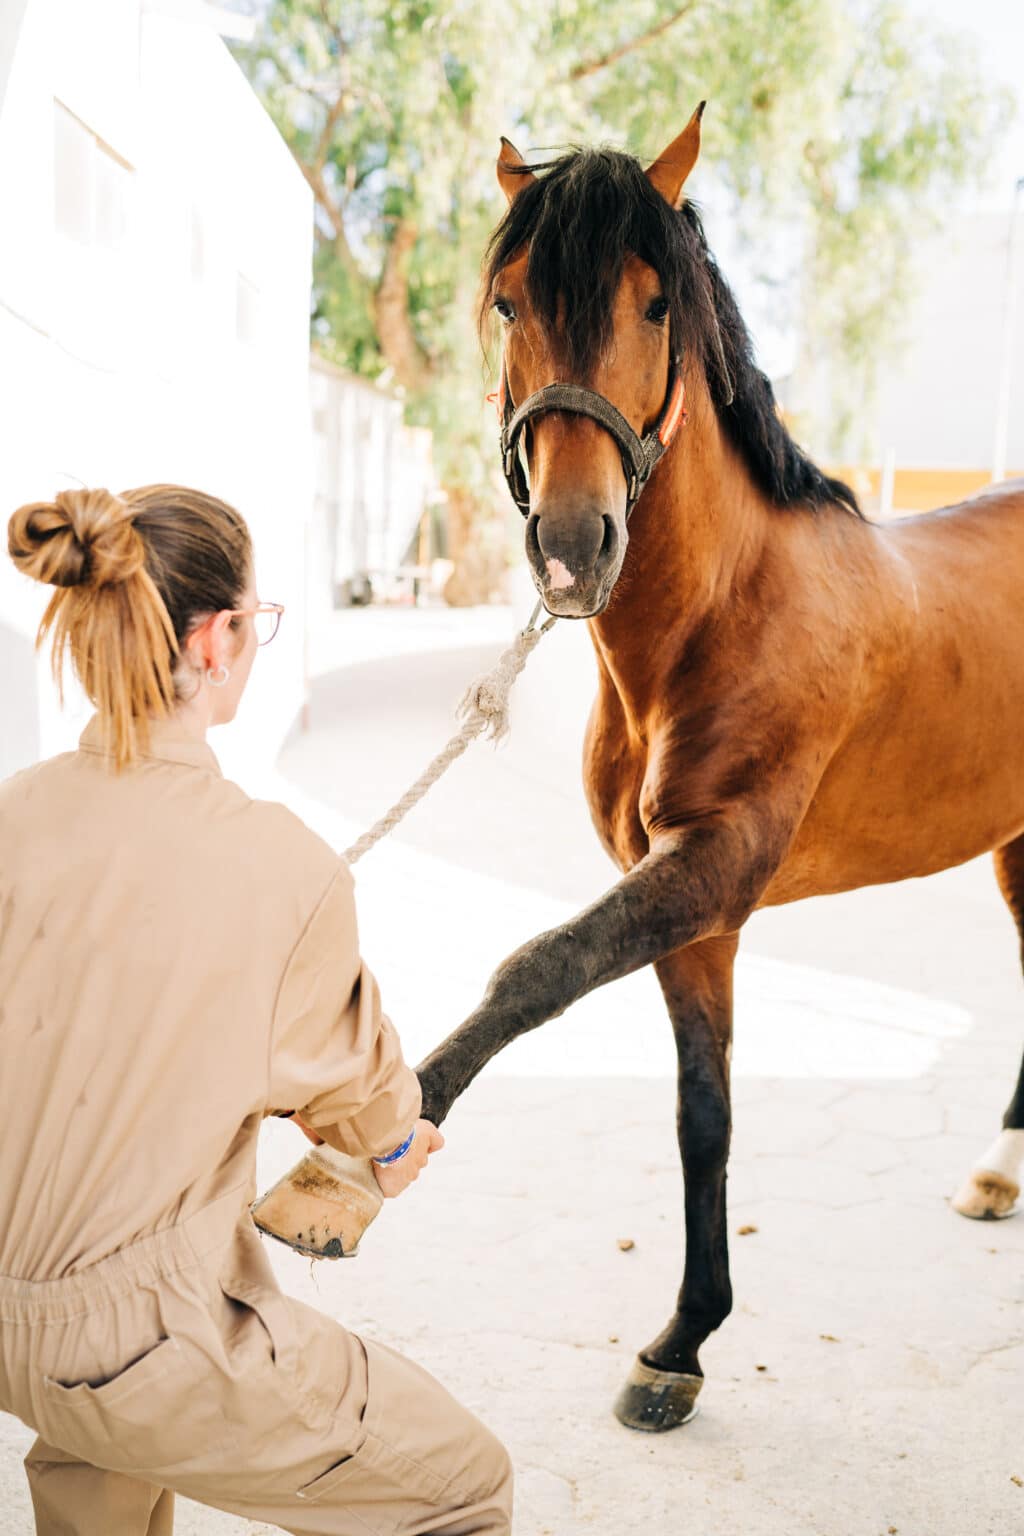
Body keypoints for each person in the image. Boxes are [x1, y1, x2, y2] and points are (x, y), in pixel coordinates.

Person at [0, 484, 513, 1536]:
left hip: (10, 1325)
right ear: (219, 638)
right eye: (258, 620)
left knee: (98, 1453)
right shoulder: (285, 870)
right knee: (461, 1487)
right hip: (142, 1342)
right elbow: (372, 1117)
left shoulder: (15, 812)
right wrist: (390, 1142)